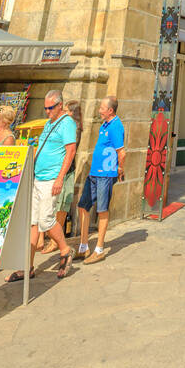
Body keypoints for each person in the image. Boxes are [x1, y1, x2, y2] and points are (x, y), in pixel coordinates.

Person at [8, 90, 75, 282]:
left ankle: (64, 249)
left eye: (51, 108)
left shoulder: (67, 123)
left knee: (46, 220)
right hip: (38, 177)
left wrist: (60, 178)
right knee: (32, 222)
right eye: (45, 108)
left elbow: (70, 151)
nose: (47, 111)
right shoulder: (49, 123)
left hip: (51, 179)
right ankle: (26, 266)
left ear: (60, 105)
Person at [77, 95, 125, 264]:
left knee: (102, 210)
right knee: (83, 206)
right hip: (95, 173)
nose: (99, 110)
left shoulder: (115, 126)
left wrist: (119, 169)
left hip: (106, 174)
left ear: (110, 110)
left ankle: (99, 249)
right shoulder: (105, 125)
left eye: (102, 108)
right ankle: (83, 247)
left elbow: (121, 152)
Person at [40, 99, 81, 255]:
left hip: (64, 171)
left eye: (66, 110)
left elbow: (70, 151)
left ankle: (57, 242)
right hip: (53, 172)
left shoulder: (70, 126)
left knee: (60, 206)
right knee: (51, 209)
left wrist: (60, 175)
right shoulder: (54, 124)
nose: (64, 112)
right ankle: (43, 240)